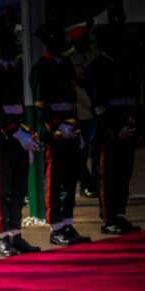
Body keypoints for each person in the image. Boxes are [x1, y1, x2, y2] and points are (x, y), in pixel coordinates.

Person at [0, 28, 42, 257]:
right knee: (1, 190)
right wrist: (17, 133)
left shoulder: (14, 70)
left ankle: (16, 234)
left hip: (17, 135)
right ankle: (2, 237)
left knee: (18, 187)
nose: (15, 47)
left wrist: (27, 134)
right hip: (0, 136)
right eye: (10, 43)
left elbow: (20, 106)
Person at [30, 20, 91, 246]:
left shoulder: (65, 65)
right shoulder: (41, 67)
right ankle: (56, 227)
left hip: (70, 129)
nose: (65, 43)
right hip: (54, 133)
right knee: (54, 180)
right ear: (51, 42)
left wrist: (75, 128)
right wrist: (57, 126)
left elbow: (72, 100)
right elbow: (40, 104)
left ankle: (67, 222)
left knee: (70, 179)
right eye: (60, 39)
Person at [86, 21, 142, 235]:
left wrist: (133, 125)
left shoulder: (124, 64)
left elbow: (133, 99)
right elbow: (99, 105)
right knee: (107, 178)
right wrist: (116, 128)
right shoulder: (96, 68)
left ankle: (119, 214)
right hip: (107, 131)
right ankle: (108, 218)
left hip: (127, 128)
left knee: (123, 175)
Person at [65, 25, 98, 199]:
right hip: (80, 112)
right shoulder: (68, 59)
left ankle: (95, 182)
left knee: (97, 151)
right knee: (80, 153)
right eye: (79, 41)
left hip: (98, 110)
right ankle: (86, 184)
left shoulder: (95, 55)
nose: (83, 43)